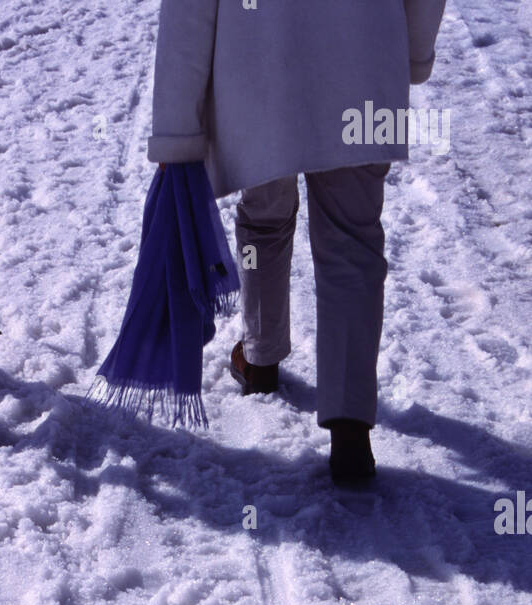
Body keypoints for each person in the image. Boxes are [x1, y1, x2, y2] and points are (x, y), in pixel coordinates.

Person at [148, 0, 447, 485]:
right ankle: (350, 428)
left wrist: (176, 128)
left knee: (263, 215)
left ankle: (261, 357)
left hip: (260, 66)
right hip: (364, 54)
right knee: (352, 243)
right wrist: (412, 51)